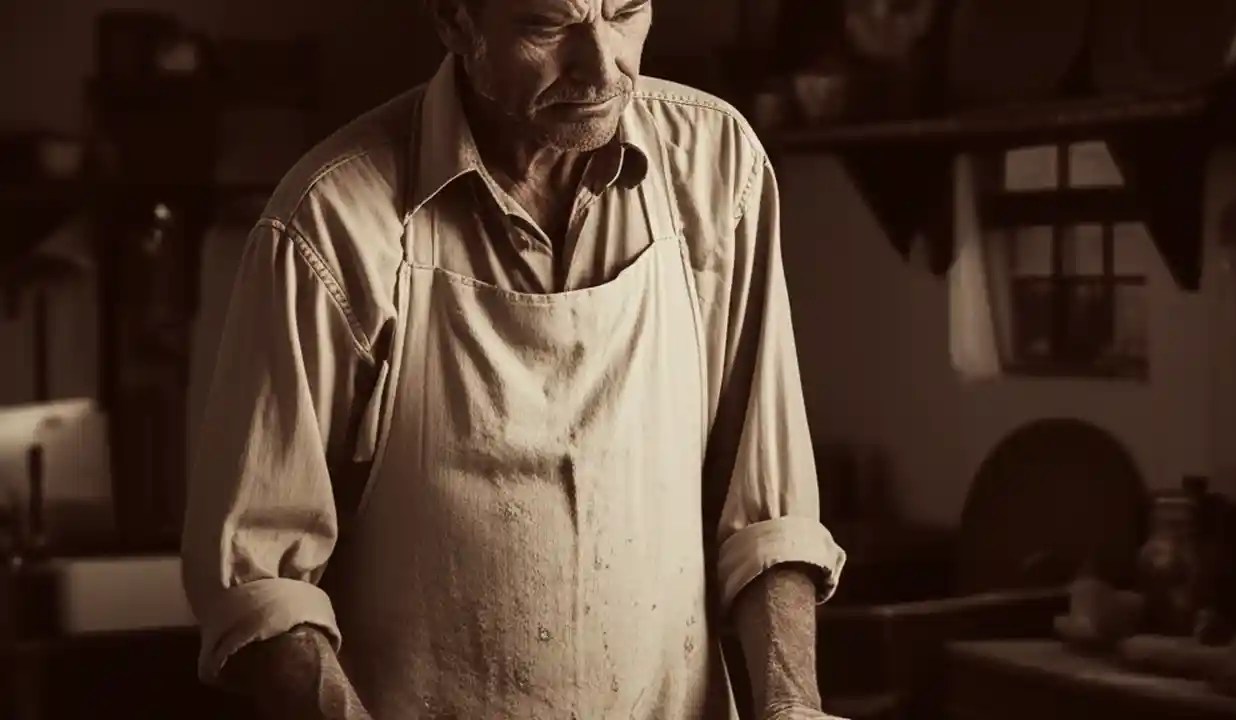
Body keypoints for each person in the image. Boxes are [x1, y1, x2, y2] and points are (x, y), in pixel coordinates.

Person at [181, 0, 848, 718]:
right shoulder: (333, 222)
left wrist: (790, 705)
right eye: (549, 25)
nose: (603, 68)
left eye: (625, 11)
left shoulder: (715, 166)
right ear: (454, 20)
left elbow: (766, 514)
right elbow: (262, 581)